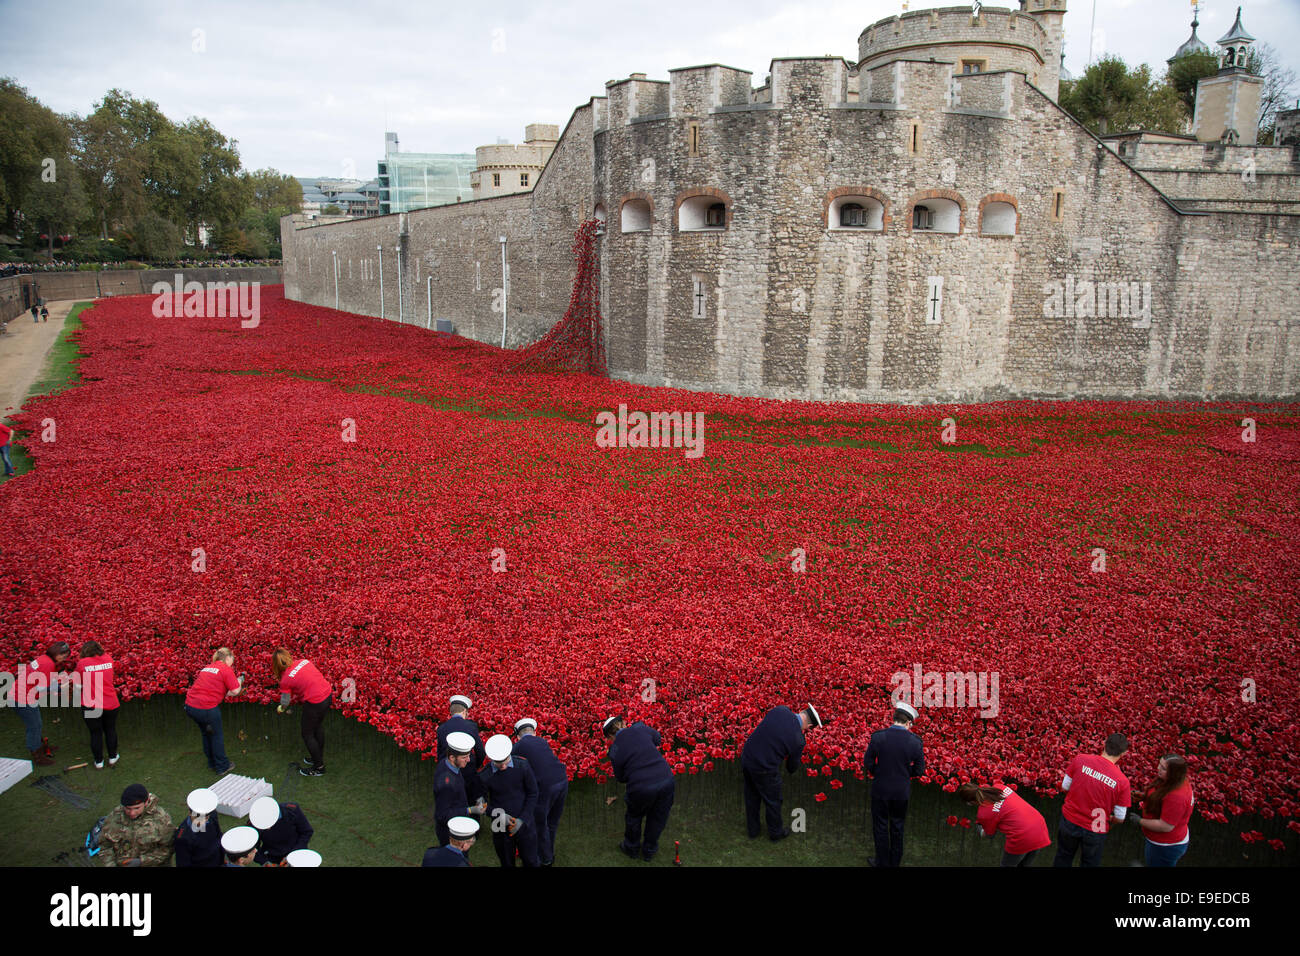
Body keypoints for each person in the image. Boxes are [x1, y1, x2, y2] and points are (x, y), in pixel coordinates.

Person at [740, 703, 821, 841]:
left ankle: (753, 831)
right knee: (773, 800)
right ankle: (776, 833)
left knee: (752, 794)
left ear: (802, 711)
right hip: (764, 768)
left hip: (747, 757)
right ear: (809, 727)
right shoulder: (799, 739)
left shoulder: (780, 709)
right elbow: (791, 767)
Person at [1053, 733, 1132, 868]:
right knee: (1090, 863)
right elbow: (1120, 817)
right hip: (1096, 827)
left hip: (1070, 819)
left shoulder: (1080, 760)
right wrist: (1110, 818)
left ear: (1104, 744)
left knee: (1063, 856)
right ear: (1124, 753)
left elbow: (1065, 786)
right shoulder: (1122, 781)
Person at [603, 715, 675, 862]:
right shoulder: (639, 728)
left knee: (634, 817)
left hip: (641, 787)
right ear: (623, 723)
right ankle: (649, 851)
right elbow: (658, 739)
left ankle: (631, 848)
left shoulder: (614, 750)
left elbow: (621, 778)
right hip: (666, 778)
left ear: (610, 735)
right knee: (657, 817)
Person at [863, 701, 926, 867]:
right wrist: (905, 775)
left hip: (880, 789)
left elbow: (868, 762)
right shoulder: (915, 742)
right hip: (901, 792)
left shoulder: (878, 737)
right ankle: (894, 863)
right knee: (898, 827)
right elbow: (919, 770)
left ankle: (881, 862)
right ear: (908, 722)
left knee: (880, 826)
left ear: (894, 718)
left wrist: (879, 772)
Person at [512, 717, 569, 865]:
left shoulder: (518, 747)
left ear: (517, 736)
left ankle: (546, 858)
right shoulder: (543, 741)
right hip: (562, 780)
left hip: (545, 787)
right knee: (552, 822)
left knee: (540, 823)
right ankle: (548, 853)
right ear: (534, 732)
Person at [477, 734, 540, 867]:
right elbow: (481, 804)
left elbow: (533, 793)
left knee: (531, 861)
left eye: (506, 761)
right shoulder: (484, 775)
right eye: (499, 764)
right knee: (506, 862)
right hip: (500, 827)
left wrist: (522, 819)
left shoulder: (522, 765)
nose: (504, 766)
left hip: (525, 823)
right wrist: (499, 815)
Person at [957, 782, 1051, 867]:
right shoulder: (999, 787)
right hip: (1039, 826)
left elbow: (989, 835)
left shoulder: (984, 814)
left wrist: (980, 827)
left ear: (972, 802)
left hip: (1022, 836)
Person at [271, 648, 333, 776]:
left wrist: (282, 708)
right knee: (317, 727)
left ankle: (319, 767)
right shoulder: (304, 661)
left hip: (315, 702)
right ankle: (318, 757)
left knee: (307, 734)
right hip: (327, 695)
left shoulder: (285, 679)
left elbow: (285, 701)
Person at [183, 648, 243, 775]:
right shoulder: (226, 669)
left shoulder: (208, 667)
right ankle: (222, 766)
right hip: (206, 708)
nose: (233, 661)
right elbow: (236, 691)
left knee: (207, 733)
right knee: (216, 736)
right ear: (228, 658)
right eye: (233, 659)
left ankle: (211, 763)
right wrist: (240, 681)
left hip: (190, 706)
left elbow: (219, 689)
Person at [17, 641, 71, 766]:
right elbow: (42, 688)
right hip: (22, 698)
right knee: (34, 726)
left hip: (22, 694)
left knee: (36, 724)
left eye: (66, 655)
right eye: (62, 655)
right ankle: (37, 755)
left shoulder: (43, 659)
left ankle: (40, 747)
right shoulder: (48, 664)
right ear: (55, 653)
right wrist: (60, 688)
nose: (64, 658)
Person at [99, 784, 174, 867]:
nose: (132, 813)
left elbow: (168, 849)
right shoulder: (114, 817)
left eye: (137, 808)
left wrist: (142, 861)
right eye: (128, 808)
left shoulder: (161, 820)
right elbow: (105, 846)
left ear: (146, 802)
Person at [1138, 755, 1193, 867]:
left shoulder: (1177, 797)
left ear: (1174, 773)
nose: (1158, 768)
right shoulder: (1171, 781)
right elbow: (1160, 797)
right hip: (1156, 840)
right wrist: (1144, 797)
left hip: (1165, 845)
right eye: (1159, 764)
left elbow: (1165, 826)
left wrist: (1140, 821)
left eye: (1163, 768)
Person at [74, 641, 120, 769]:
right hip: (111, 702)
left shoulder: (82, 663)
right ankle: (112, 757)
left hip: (91, 704)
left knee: (95, 733)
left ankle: (98, 762)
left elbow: (78, 685)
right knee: (110, 730)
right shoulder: (108, 659)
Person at [434, 731, 485, 847]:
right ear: (452, 757)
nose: (468, 760)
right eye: (464, 757)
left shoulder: (447, 764)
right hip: (451, 833)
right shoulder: (446, 784)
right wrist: (470, 810)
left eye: (468, 755)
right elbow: (443, 815)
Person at [249, 796, 314, 865]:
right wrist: (265, 862)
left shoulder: (292, 811)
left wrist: (292, 856)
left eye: (267, 824)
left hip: (297, 854)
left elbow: (306, 832)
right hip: (272, 858)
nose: (267, 828)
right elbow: (252, 848)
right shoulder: (255, 821)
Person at [174, 788, 223, 867]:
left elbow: (218, 836)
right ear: (190, 813)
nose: (202, 822)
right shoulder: (182, 837)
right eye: (197, 817)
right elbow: (183, 863)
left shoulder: (212, 816)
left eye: (206, 818)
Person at [435, 694, 487, 770]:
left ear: (451, 712)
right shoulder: (471, 727)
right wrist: (474, 766)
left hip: (447, 770)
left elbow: (440, 754)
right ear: (464, 711)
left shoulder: (441, 728)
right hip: (467, 770)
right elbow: (480, 752)